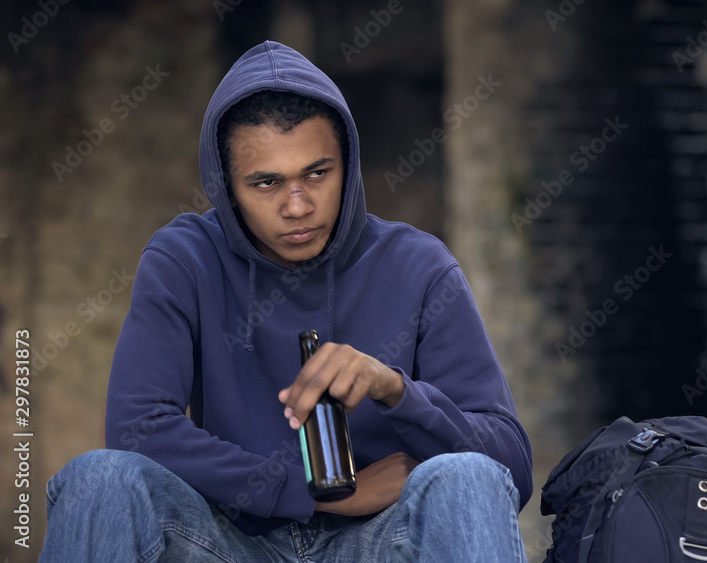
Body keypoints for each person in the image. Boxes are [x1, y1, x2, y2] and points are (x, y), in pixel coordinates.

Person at [40, 40, 532, 562]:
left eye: (318, 173)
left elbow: (509, 468)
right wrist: (319, 494)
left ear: (349, 164)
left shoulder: (420, 265)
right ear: (227, 188)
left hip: (379, 541)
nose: (297, 206)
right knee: (98, 478)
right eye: (267, 183)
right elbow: (138, 428)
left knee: (467, 477)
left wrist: (397, 392)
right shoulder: (183, 259)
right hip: (229, 541)